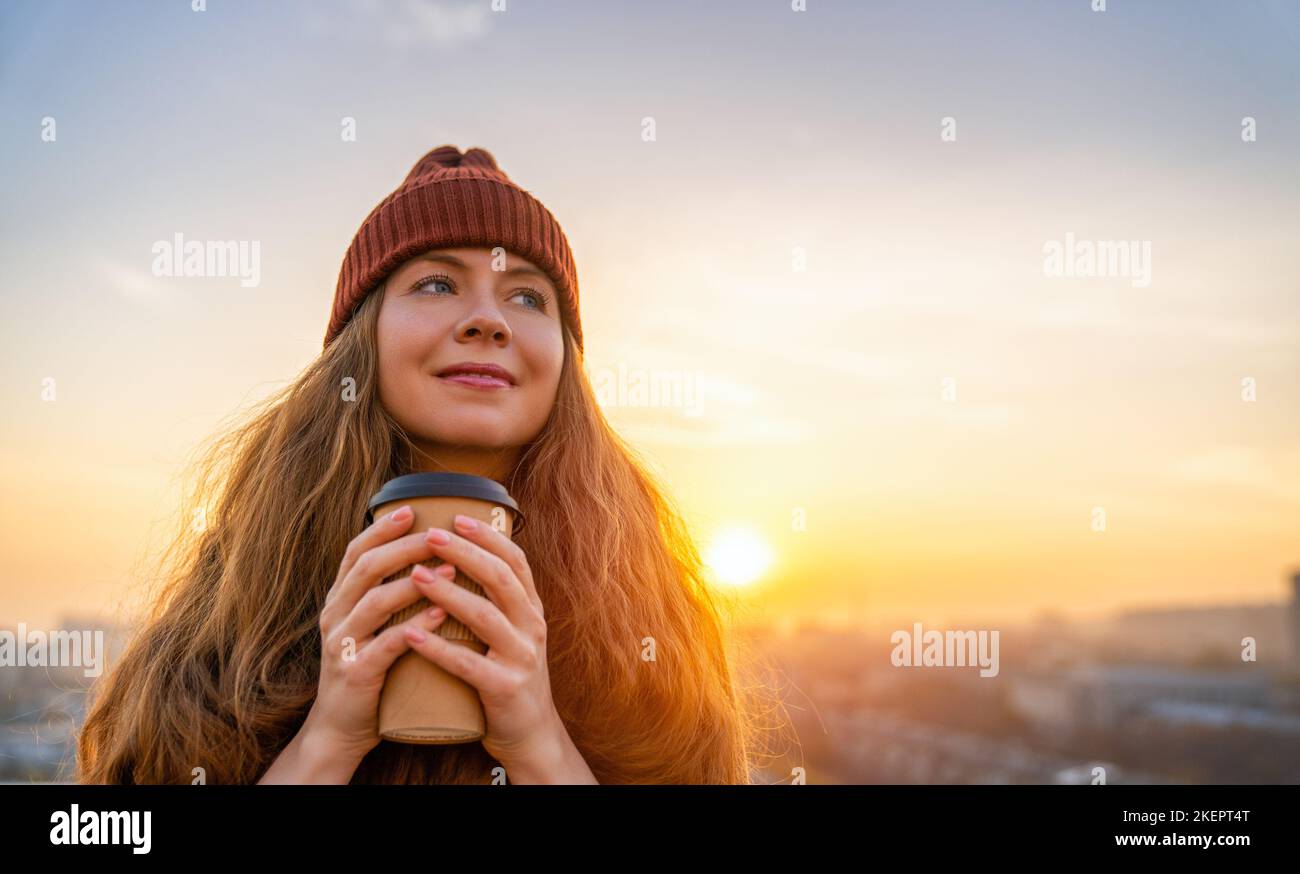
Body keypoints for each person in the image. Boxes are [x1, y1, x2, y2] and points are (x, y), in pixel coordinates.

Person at [75, 144, 784, 784]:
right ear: (363, 338)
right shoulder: (242, 596)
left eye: (528, 296)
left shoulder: (641, 602)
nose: (489, 320)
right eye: (438, 284)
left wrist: (538, 742)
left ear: (566, 359)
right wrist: (327, 740)